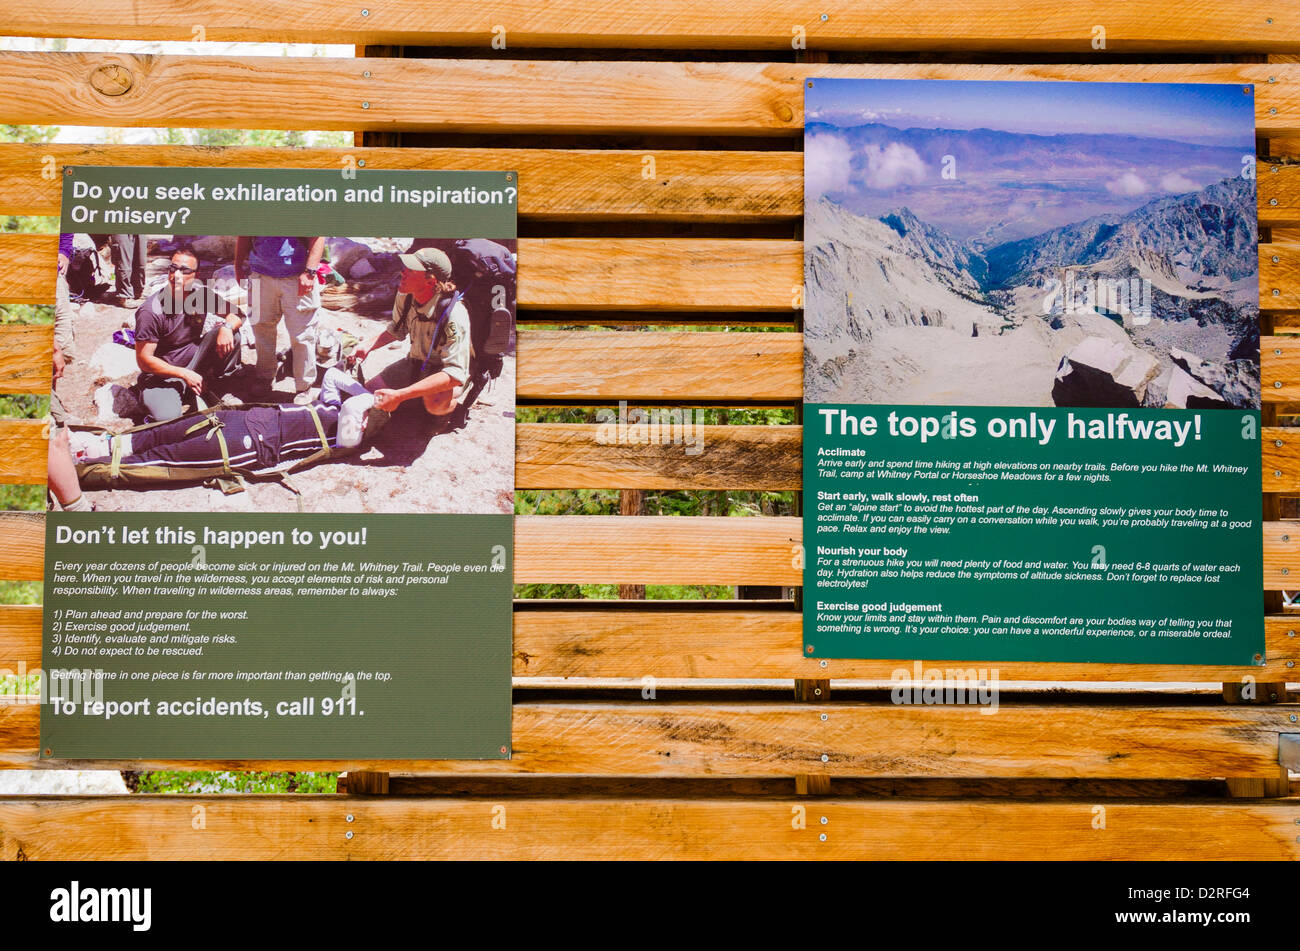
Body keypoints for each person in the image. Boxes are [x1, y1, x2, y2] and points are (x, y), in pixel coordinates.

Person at [66, 389, 380, 481]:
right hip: (240, 419)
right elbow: (336, 377)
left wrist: (372, 399)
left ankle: (88, 468)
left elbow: (356, 404)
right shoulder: (336, 406)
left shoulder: (349, 435)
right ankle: (97, 445)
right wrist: (369, 393)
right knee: (158, 435)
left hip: (247, 445)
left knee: (161, 459)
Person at [351, 247, 471, 417]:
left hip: (444, 372)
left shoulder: (454, 314)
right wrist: (367, 346)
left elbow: (454, 374)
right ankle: (415, 396)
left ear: (431, 282)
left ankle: (448, 412)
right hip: (416, 362)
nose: (403, 273)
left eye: (411, 270)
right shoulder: (406, 295)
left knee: (434, 403)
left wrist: (400, 395)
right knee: (370, 393)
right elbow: (397, 330)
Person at [133, 245, 245, 421]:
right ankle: (153, 397)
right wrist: (184, 374)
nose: (176, 275)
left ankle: (216, 386)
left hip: (194, 361)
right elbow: (144, 360)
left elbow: (237, 314)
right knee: (167, 418)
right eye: (173, 268)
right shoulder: (151, 311)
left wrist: (226, 327)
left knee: (233, 335)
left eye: (185, 271)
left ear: (196, 276)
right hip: (163, 376)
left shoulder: (200, 296)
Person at [234, 235, 325, 403]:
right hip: (260, 275)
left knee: (302, 335)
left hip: (297, 277)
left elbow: (317, 236)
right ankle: (264, 377)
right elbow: (244, 234)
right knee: (261, 329)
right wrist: (238, 265)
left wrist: (310, 272)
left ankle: (304, 386)